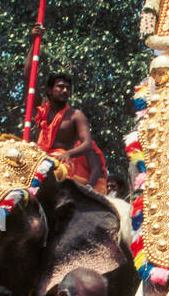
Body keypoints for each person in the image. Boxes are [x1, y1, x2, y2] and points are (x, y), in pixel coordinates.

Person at [25, 36, 107, 192]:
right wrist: (35, 42)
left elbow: (87, 143)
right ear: (49, 90)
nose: (65, 91)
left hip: (59, 163)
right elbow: (29, 76)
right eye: (60, 87)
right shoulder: (42, 107)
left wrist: (68, 154)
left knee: (51, 175)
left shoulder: (76, 115)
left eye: (67, 88)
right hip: (37, 158)